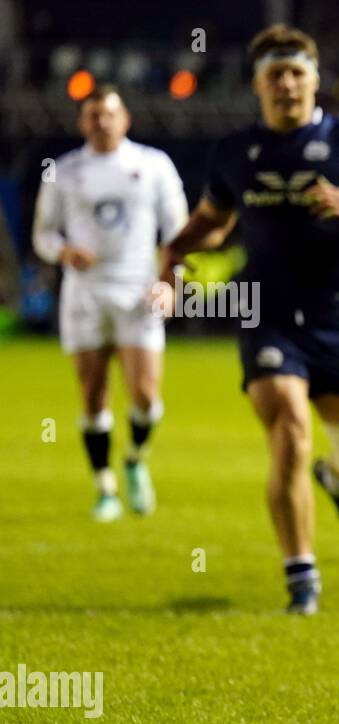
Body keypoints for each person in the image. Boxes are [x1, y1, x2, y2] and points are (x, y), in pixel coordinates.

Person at [160, 24, 339, 614]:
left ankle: (336, 479)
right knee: (287, 426)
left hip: (337, 315)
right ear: (258, 85)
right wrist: (174, 251)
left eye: (296, 74)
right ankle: (301, 577)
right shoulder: (236, 150)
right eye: (273, 75)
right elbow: (214, 219)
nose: (285, 84)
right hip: (266, 313)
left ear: (314, 81)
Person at [33, 85, 188, 521]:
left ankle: (136, 459)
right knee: (92, 394)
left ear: (126, 119)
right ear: (82, 122)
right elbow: (43, 235)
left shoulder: (153, 165)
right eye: (93, 115)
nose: (102, 121)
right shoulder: (62, 172)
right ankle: (104, 487)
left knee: (144, 394)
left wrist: (170, 283)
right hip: (85, 293)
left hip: (138, 290)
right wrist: (64, 252)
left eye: (109, 114)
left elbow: (177, 230)